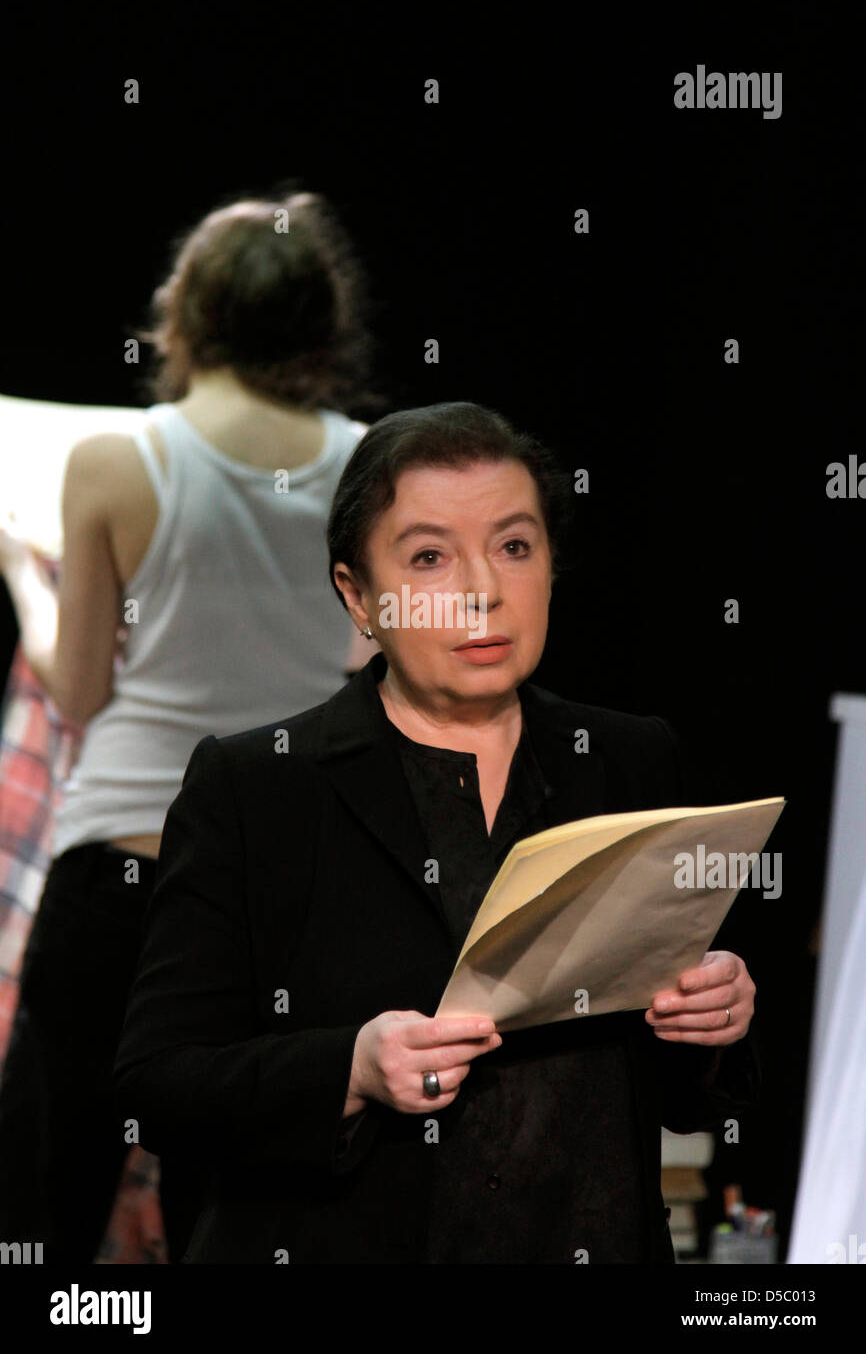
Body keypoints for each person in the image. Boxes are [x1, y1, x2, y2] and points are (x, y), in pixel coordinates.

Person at [114, 400, 760, 1264]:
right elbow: (159, 1084)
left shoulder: (631, 760)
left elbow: (681, 1090)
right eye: (428, 557)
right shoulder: (258, 785)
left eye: (514, 547)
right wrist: (350, 1068)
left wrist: (717, 1022)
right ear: (359, 597)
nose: (482, 590)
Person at [0, 187, 381, 1264]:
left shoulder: (119, 463)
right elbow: (363, 664)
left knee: (58, 1174)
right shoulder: (370, 465)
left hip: (123, 860)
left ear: (188, 315)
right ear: (322, 321)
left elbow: (75, 692)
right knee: (240, 1194)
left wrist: (30, 587)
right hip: (276, 881)